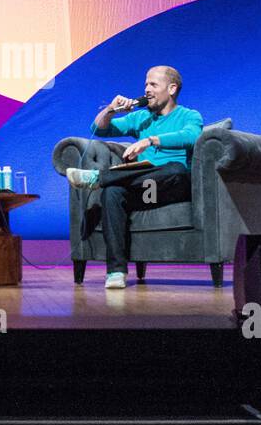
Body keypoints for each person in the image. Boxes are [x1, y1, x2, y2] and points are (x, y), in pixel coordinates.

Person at [64, 65, 203, 288]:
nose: (146, 89)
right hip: (144, 189)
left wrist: (150, 141)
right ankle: (116, 272)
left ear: (172, 89)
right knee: (112, 192)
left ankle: (99, 178)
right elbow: (98, 129)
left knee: (176, 168)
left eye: (153, 85)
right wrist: (111, 109)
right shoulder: (141, 117)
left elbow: (192, 136)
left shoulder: (189, 116)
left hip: (171, 187)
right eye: (146, 84)